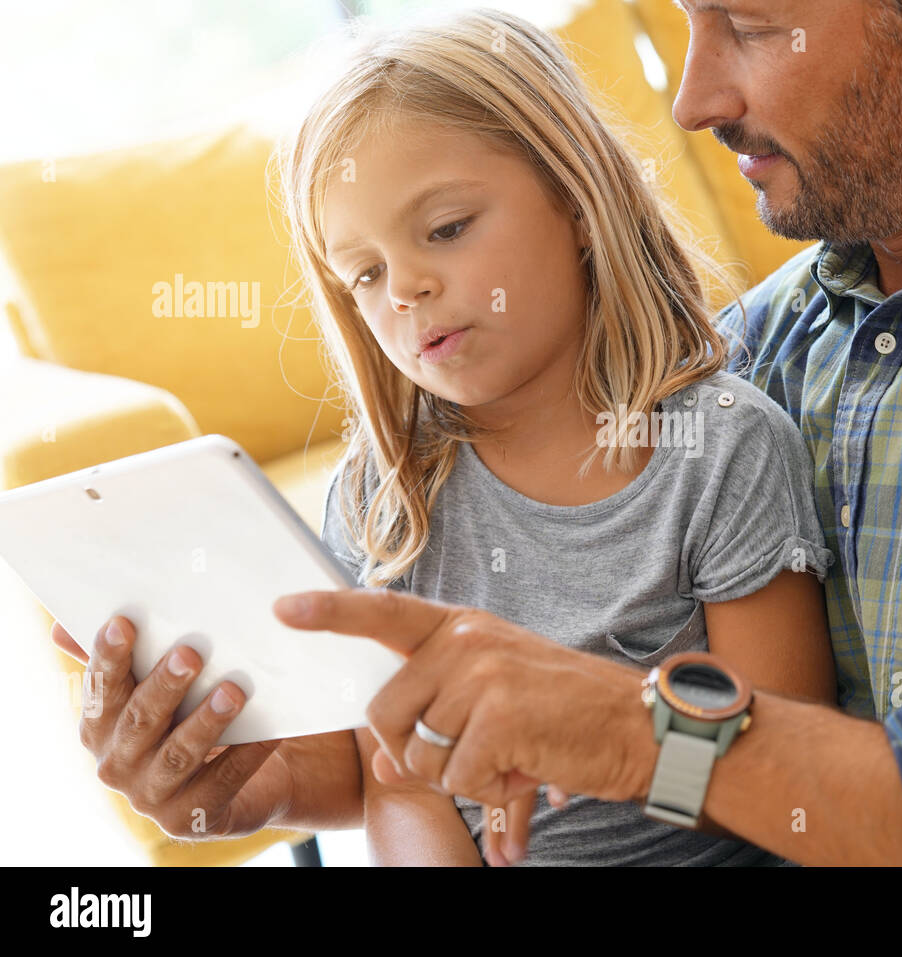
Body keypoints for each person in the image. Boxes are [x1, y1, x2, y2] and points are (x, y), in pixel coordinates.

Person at [58, 0, 902, 867]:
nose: (695, 98)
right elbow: (403, 772)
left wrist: (630, 731)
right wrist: (249, 788)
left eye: (749, 25)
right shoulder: (768, 339)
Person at [54, 9, 838, 867]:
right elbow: (396, 783)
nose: (408, 288)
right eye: (366, 272)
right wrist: (234, 777)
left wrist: (618, 736)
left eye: (447, 229)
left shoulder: (723, 453)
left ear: (577, 199)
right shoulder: (386, 502)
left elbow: (781, 788)